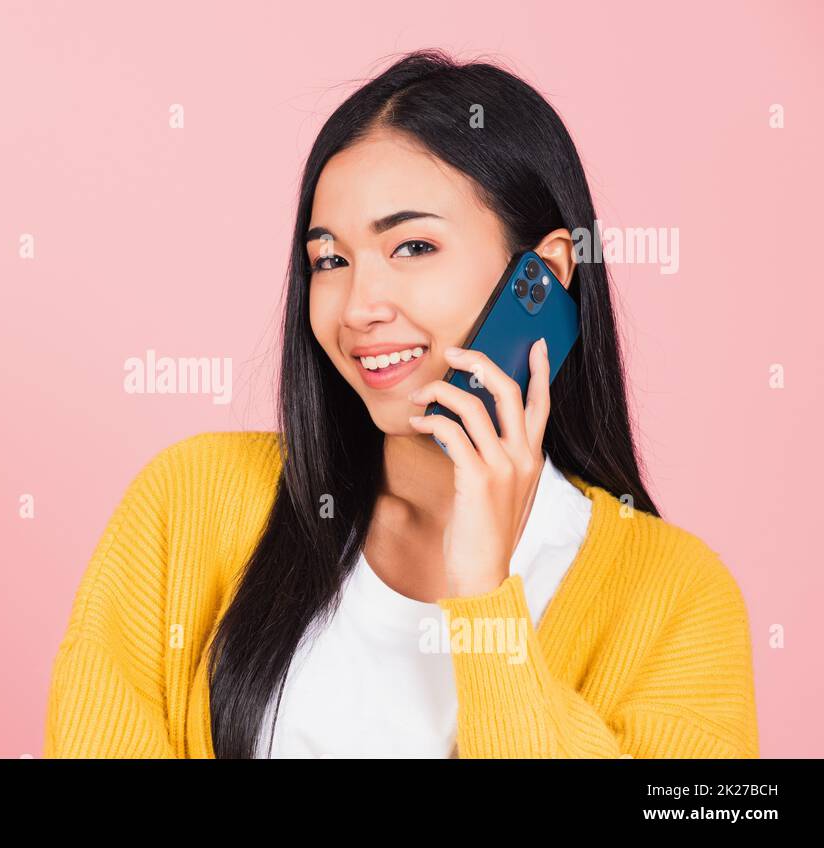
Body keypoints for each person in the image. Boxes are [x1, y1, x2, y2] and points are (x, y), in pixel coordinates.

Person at [43, 49, 759, 759]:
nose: (360, 307)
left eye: (413, 246)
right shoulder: (190, 502)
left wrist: (485, 595)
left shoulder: (677, 599)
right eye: (331, 260)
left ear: (542, 276)